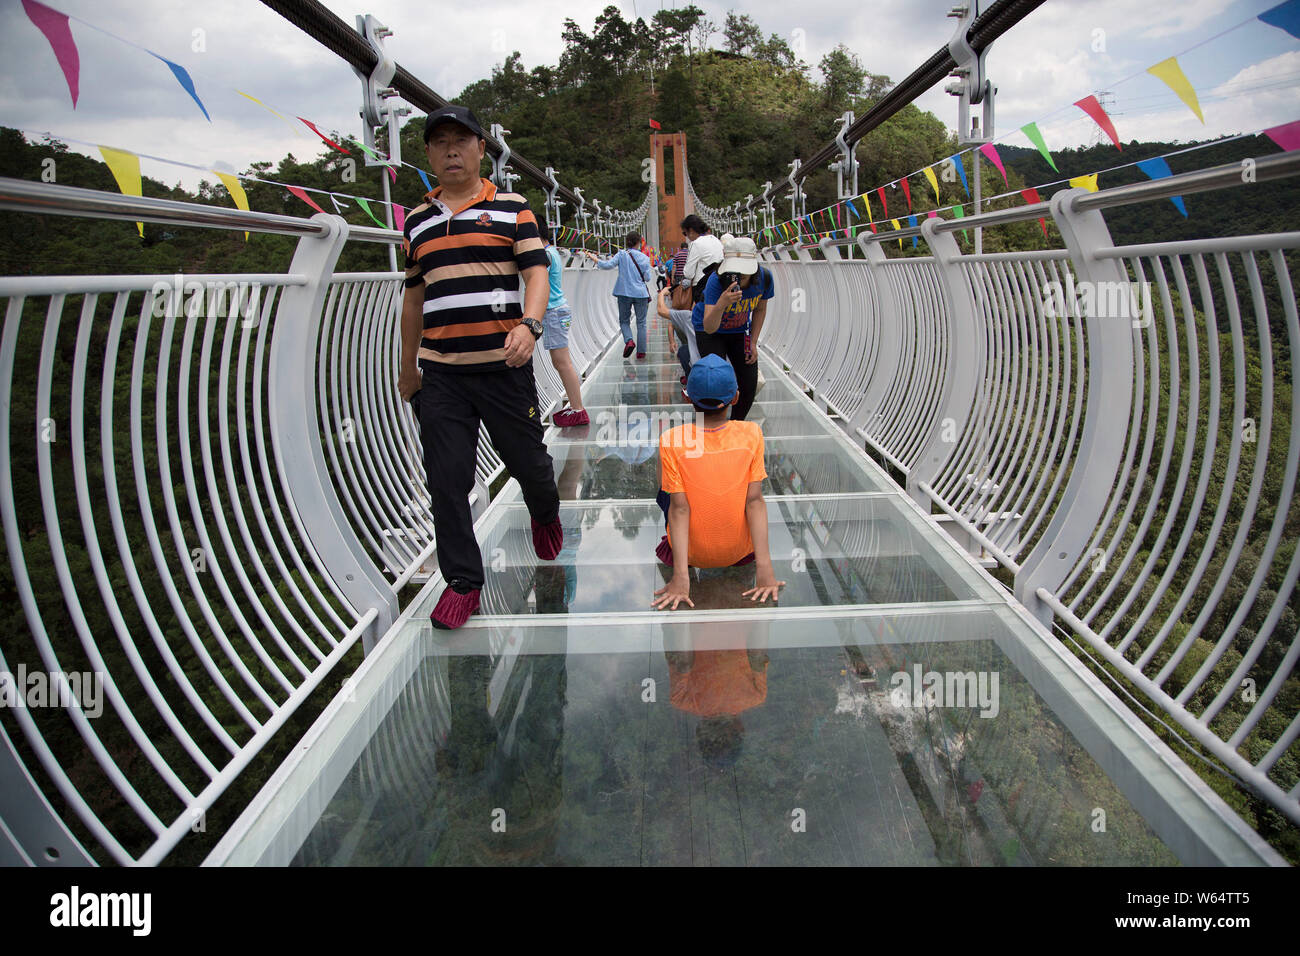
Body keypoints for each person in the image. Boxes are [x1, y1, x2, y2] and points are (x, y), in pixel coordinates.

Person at [397, 104, 562, 630]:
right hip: (442, 373)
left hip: (504, 365)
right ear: (427, 154)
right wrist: (408, 368)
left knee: (529, 463)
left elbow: (535, 274)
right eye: (439, 142)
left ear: (480, 150)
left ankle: (544, 509)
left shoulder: (514, 207)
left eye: (461, 141)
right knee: (446, 480)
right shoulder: (417, 220)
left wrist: (530, 326)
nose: (451, 150)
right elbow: (413, 300)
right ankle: (463, 582)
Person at [651, 354, 785, 611]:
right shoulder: (752, 434)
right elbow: (755, 502)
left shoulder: (671, 439)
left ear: (687, 397)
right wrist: (765, 568)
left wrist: (681, 577)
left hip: (692, 554)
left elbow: (679, 509)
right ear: (735, 397)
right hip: (739, 552)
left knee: (670, 491)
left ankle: (682, 563)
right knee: (748, 493)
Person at [694, 234, 772, 422]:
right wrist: (722, 303)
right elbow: (709, 327)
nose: (739, 277)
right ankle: (709, 425)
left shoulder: (765, 278)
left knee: (749, 381)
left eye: (743, 273)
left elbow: (760, 309)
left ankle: (736, 424)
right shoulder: (717, 280)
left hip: (739, 330)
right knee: (713, 379)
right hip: (710, 330)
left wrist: (753, 342)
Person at [537, 220, 588, 427]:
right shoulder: (553, 252)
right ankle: (576, 407)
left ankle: (578, 410)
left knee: (561, 362)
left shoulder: (545, 255)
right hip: (559, 310)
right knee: (562, 361)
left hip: (553, 311)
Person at [589, 232, 653, 360]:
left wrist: (595, 259)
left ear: (627, 242)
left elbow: (608, 265)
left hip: (623, 292)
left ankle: (629, 341)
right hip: (640, 294)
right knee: (641, 323)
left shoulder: (622, 254)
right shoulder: (645, 258)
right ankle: (641, 352)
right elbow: (647, 278)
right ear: (639, 243)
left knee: (624, 320)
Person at [656, 285, 699, 393]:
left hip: (698, 365)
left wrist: (662, 293)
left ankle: (690, 380)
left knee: (684, 351)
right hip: (719, 365)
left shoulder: (689, 316)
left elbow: (661, 310)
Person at [679, 214, 723, 305]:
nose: (686, 237)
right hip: (719, 285)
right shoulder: (717, 240)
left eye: (685, 233)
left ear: (691, 230)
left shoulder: (696, 244)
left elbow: (688, 273)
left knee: (701, 317)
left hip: (702, 287)